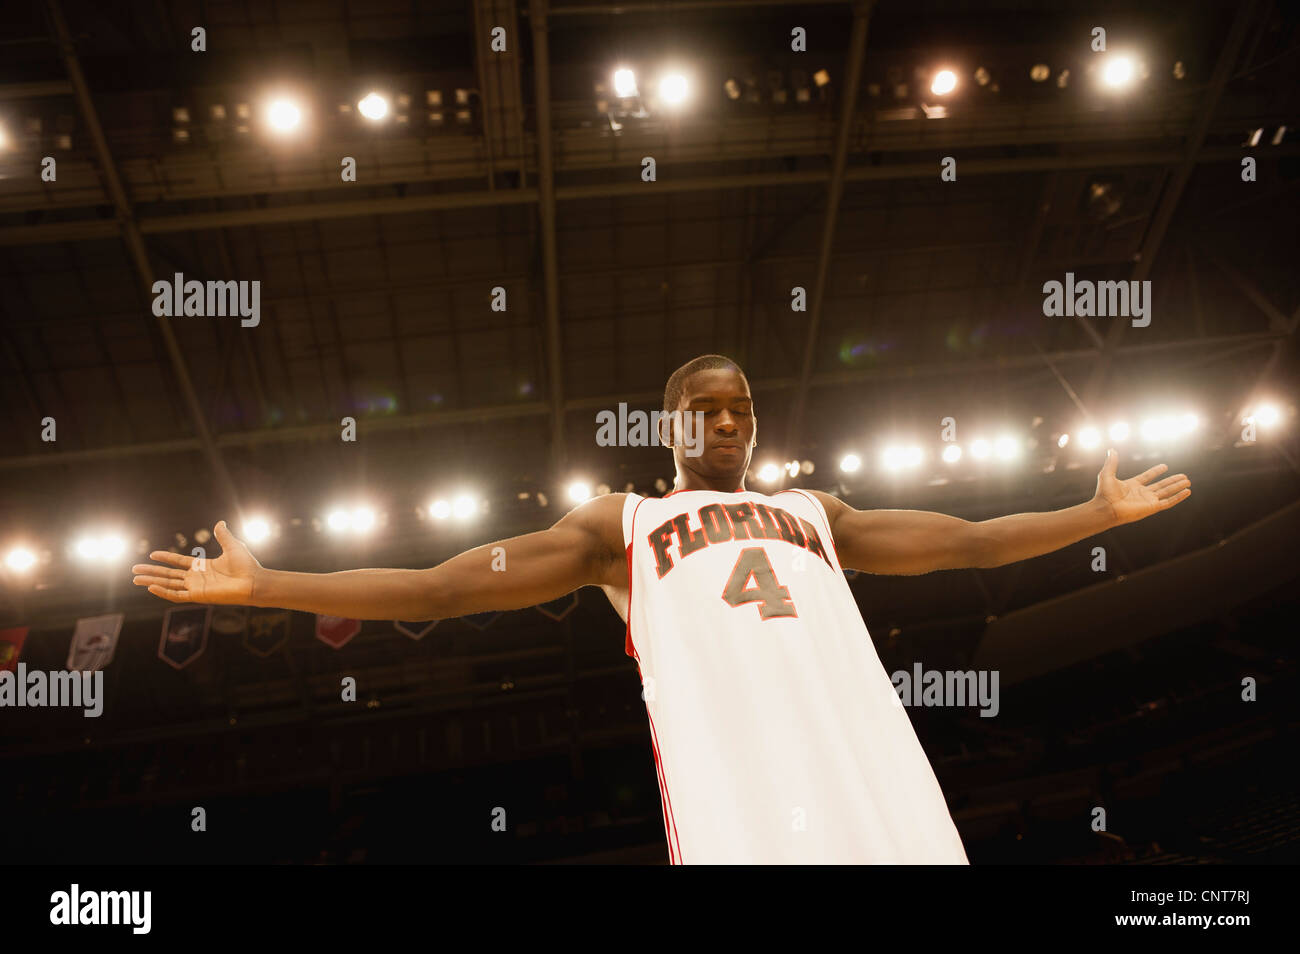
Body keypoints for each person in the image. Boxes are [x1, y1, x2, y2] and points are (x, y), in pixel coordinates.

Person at [133, 353, 1191, 863]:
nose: (725, 420)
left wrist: (1087, 517)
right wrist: (272, 585)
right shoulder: (619, 526)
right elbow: (445, 588)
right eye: (702, 409)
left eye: (740, 408)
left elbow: (967, 543)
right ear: (667, 428)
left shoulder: (816, 511)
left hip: (877, 775)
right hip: (741, 799)